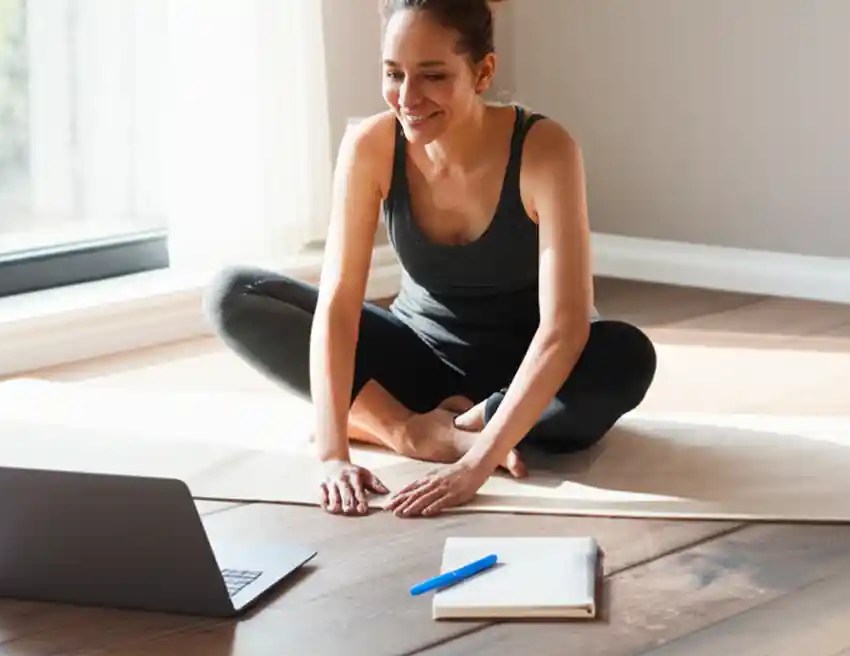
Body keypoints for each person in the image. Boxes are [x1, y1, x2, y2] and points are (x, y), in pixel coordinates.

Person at [203, 0, 656, 518]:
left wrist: (474, 463)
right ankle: (406, 429)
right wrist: (332, 456)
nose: (408, 97)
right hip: (418, 360)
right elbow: (338, 307)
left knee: (627, 356)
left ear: (483, 71)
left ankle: (464, 424)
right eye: (393, 74)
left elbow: (565, 329)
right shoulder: (371, 145)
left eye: (433, 75)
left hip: (525, 375)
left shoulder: (544, 149)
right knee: (233, 294)